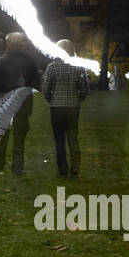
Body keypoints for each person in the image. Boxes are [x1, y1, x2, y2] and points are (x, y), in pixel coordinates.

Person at [0, 31, 41, 175]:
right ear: (21, 45)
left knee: (2, 135)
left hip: (4, 103)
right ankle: (17, 167)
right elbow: (35, 85)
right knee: (19, 137)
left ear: (7, 44)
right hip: (23, 103)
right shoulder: (30, 62)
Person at [41, 38, 89, 178]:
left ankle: (62, 169)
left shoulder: (52, 67)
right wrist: (78, 99)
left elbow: (46, 89)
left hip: (57, 107)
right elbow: (84, 88)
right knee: (73, 137)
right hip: (73, 106)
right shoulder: (79, 66)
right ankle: (75, 165)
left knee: (59, 139)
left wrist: (51, 99)